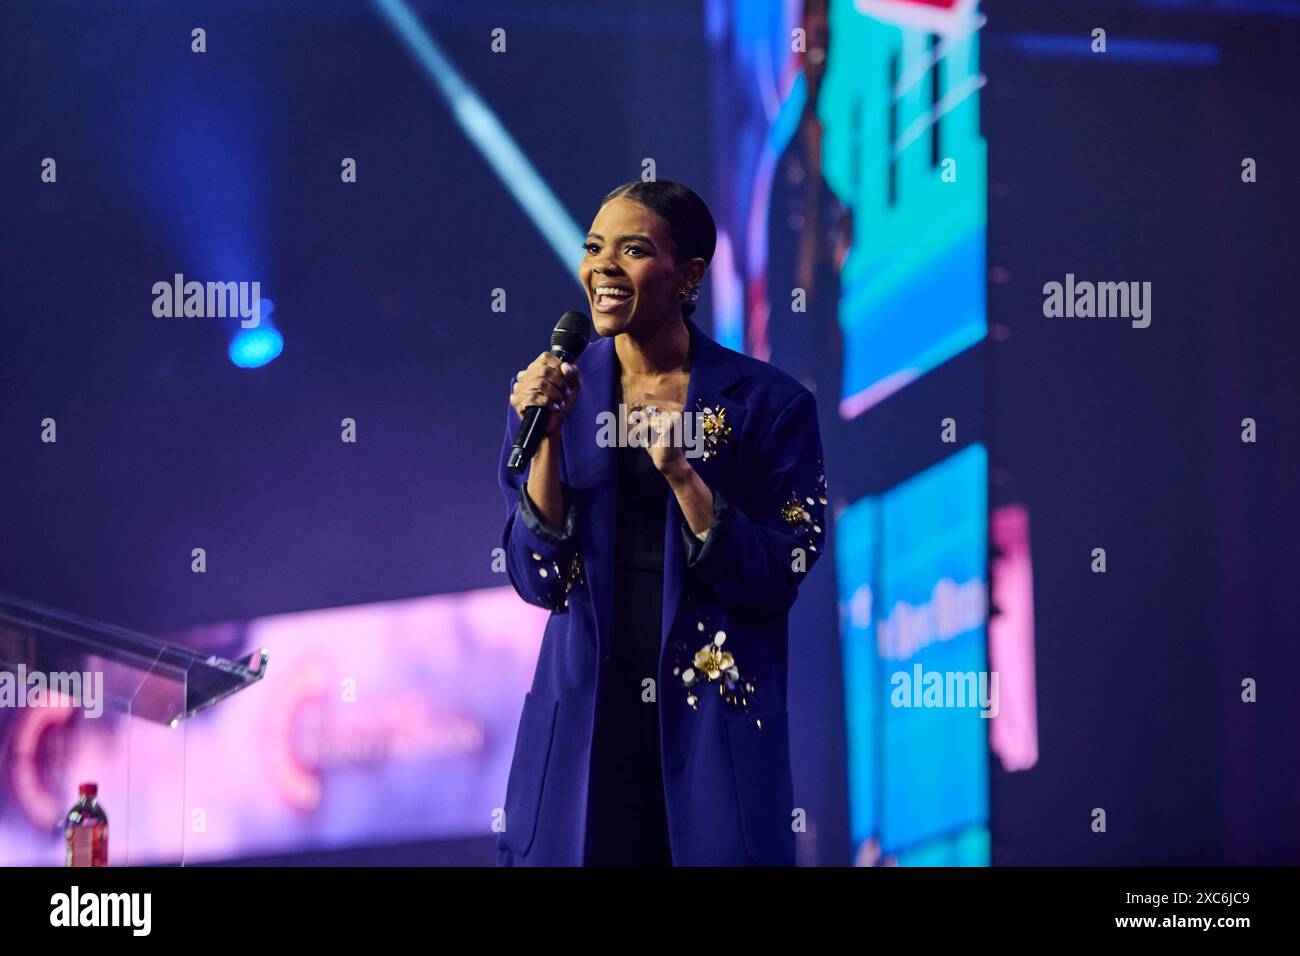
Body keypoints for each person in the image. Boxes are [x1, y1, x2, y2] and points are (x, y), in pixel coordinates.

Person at [497, 180, 828, 866]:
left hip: (715, 738)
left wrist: (683, 475)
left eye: (634, 249)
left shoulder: (769, 406)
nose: (603, 266)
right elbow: (538, 579)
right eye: (594, 248)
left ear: (690, 275)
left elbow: (781, 570)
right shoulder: (549, 396)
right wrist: (550, 436)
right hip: (585, 737)